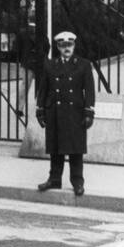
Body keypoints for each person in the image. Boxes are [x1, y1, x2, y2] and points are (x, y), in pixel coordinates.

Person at [36, 31, 95, 197]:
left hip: (75, 113)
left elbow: (89, 90)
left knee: (76, 150)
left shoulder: (83, 64)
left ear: (74, 46)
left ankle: (77, 182)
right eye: (63, 46)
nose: (66, 48)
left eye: (69, 45)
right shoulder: (50, 64)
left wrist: (89, 112)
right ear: (58, 47)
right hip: (54, 111)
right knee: (56, 148)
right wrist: (40, 109)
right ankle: (54, 178)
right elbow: (43, 89)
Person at [10, 17, 44, 119]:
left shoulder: (40, 33)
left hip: (37, 63)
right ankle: (20, 108)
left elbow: (46, 45)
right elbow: (16, 48)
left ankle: (39, 108)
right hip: (28, 63)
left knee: (39, 87)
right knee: (25, 86)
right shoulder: (23, 33)